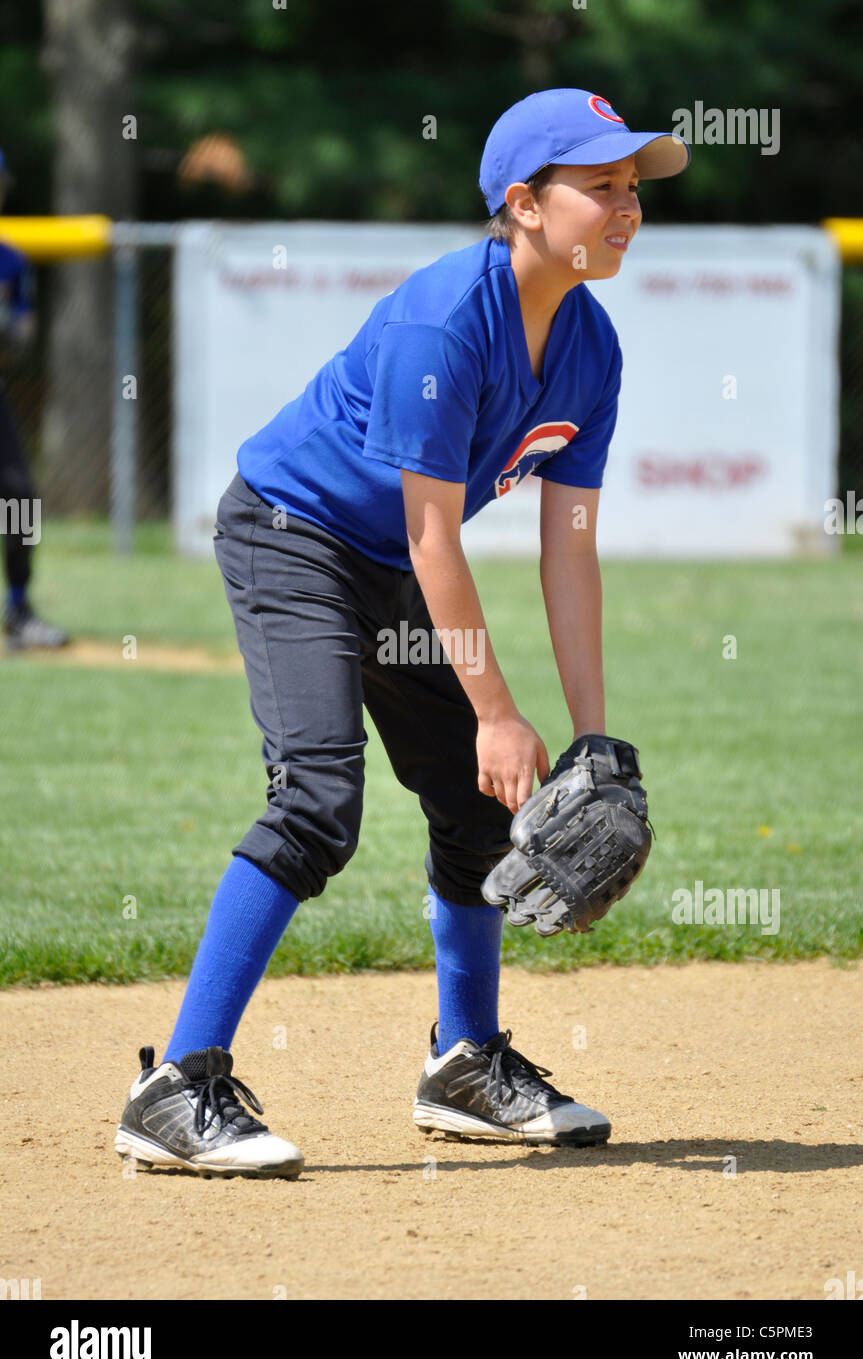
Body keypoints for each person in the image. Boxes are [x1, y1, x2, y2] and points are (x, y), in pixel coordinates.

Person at [115, 89, 690, 1179]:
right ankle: (175, 1083)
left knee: (480, 805)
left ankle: (464, 1063)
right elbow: (435, 538)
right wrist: (496, 710)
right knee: (317, 798)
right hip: (295, 535)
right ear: (522, 203)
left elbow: (566, 548)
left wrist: (593, 737)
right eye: (601, 186)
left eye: (633, 189)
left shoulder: (589, 348)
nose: (627, 209)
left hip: (386, 562)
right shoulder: (444, 321)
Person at [0, 150, 70, 651]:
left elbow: (23, 338)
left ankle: (19, 608)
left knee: (19, 494)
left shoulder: (11, 259)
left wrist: (7, 330)